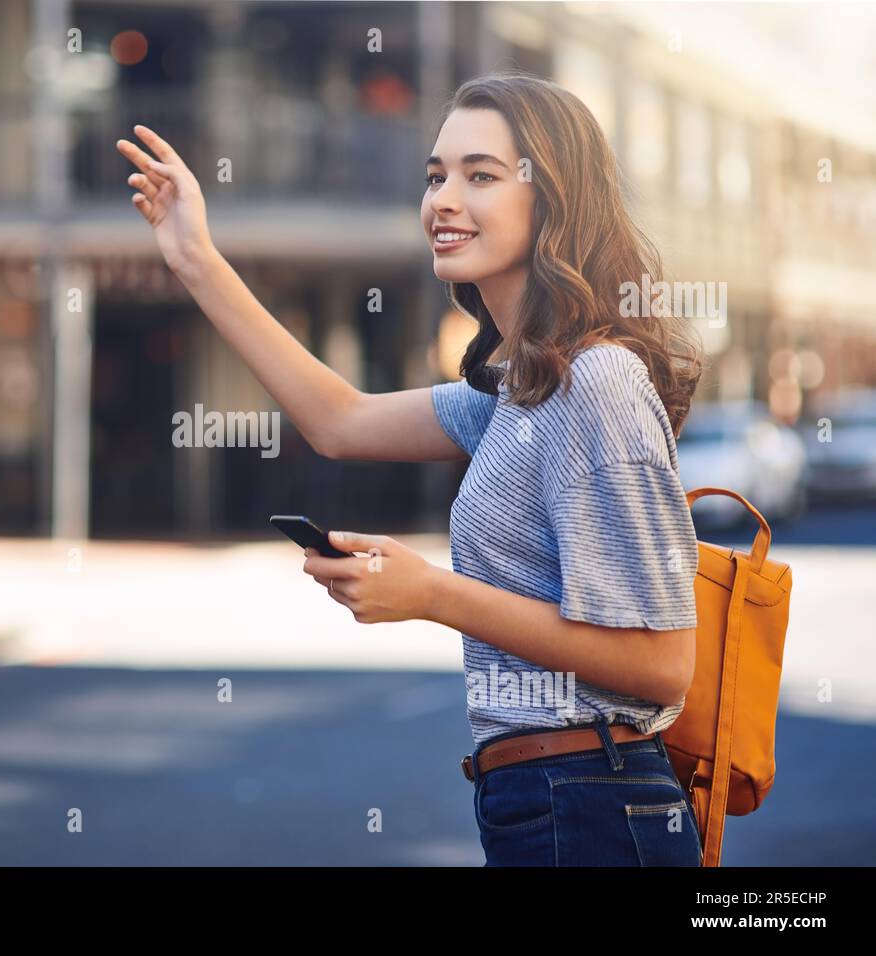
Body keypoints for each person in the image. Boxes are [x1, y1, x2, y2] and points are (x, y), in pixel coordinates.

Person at [117, 71, 706, 866]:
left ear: (556, 200)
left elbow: (663, 664)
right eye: (436, 176)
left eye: (482, 176)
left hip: (593, 800)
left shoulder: (596, 381)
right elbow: (339, 420)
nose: (443, 200)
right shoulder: (520, 389)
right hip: (539, 799)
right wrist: (195, 256)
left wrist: (430, 593)